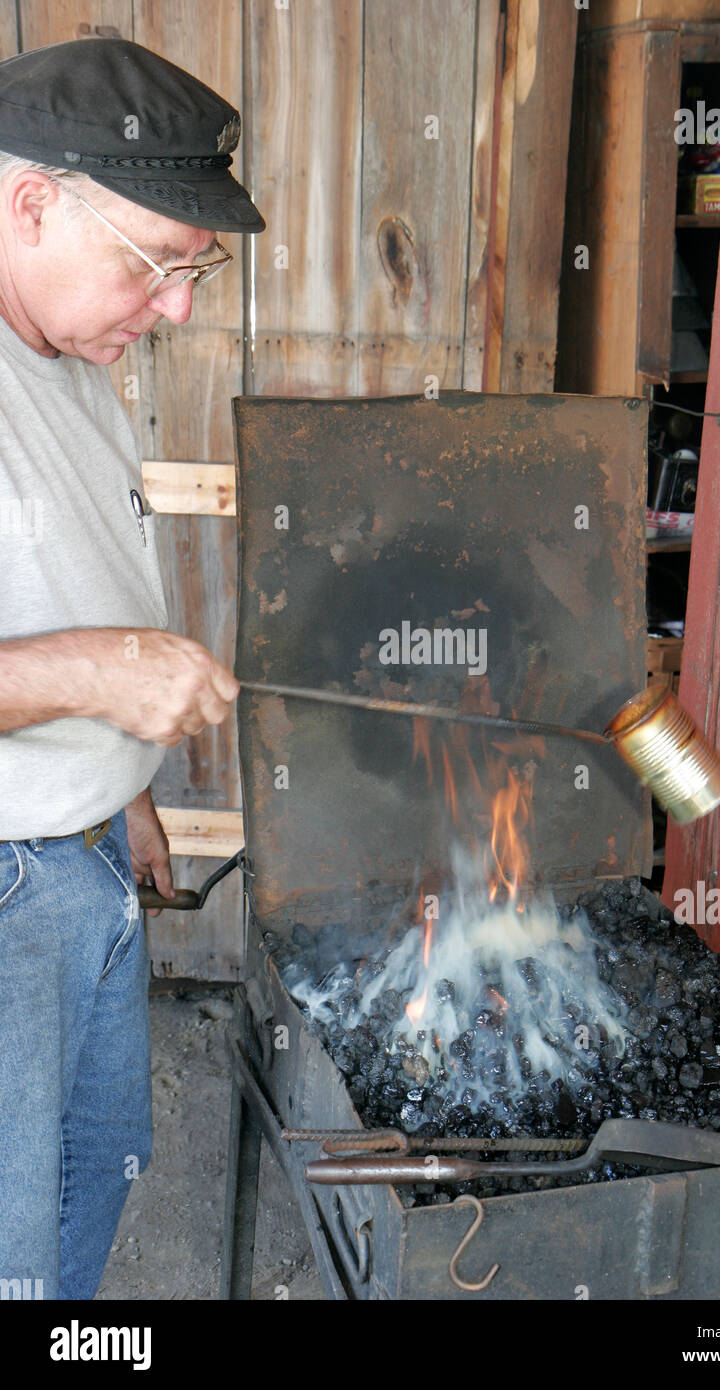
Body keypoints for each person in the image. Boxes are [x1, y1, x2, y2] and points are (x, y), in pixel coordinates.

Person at [0, 37, 265, 1300]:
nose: (179, 309)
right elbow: (76, 646)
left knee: (86, 1182)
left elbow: (75, 573)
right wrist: (98, 673)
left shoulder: (63, 347)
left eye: (194, 268)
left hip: (83, 858)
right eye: (156, 265)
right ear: (31, 201)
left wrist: (128, 789)